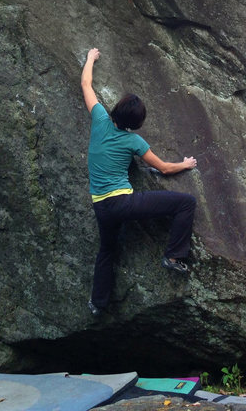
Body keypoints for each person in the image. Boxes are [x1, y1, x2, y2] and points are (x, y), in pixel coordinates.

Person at [81, 48, 197, 316]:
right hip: (123, 203)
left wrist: (91, 58)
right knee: (186, 203)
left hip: (100, 205)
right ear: (137, 123)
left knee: (107, 250)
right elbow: (165, 169)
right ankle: (173, 256)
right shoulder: (134, 141)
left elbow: (86, 84)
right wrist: (186, 164)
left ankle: (97, 304)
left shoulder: (99, 119)